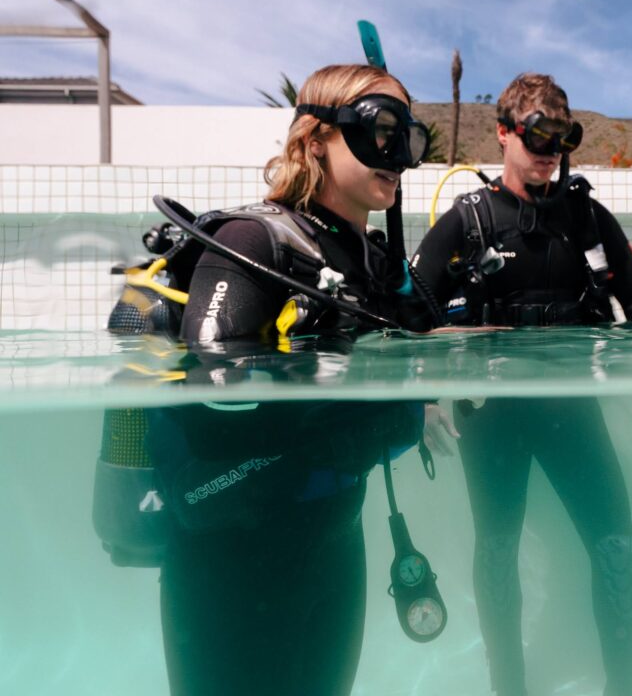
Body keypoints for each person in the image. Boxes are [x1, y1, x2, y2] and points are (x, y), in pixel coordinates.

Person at [106, 64, 444, 696]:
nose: (398, 156)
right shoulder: (252, 243)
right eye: (380, 132)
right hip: (230, 554)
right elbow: (208, 427)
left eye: (410, 138)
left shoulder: (367, 262)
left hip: (335, 539)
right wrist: (371, 424)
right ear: (314, 139)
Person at [411, 73, 632, 696]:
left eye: (562, 137)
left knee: (616, 544)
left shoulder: (585, 217)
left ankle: (625, 686)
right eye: (537, 135)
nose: (550, 150)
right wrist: (420, 394)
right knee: (497, 551)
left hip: (572, 409)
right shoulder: (467, 222)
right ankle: (509, 685)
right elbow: (410, 317)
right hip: (489, 414)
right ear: (503, 133)